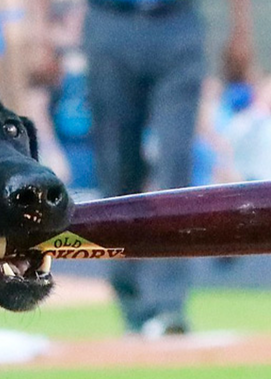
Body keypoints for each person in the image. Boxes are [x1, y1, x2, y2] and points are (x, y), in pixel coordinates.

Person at [83, 0, 252, 337]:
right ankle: (133, 304)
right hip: (112, 21)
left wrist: (241, 30)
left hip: (177, 23)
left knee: (176, 165)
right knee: (118, 168)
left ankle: (170, 305)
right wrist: (37, 28)